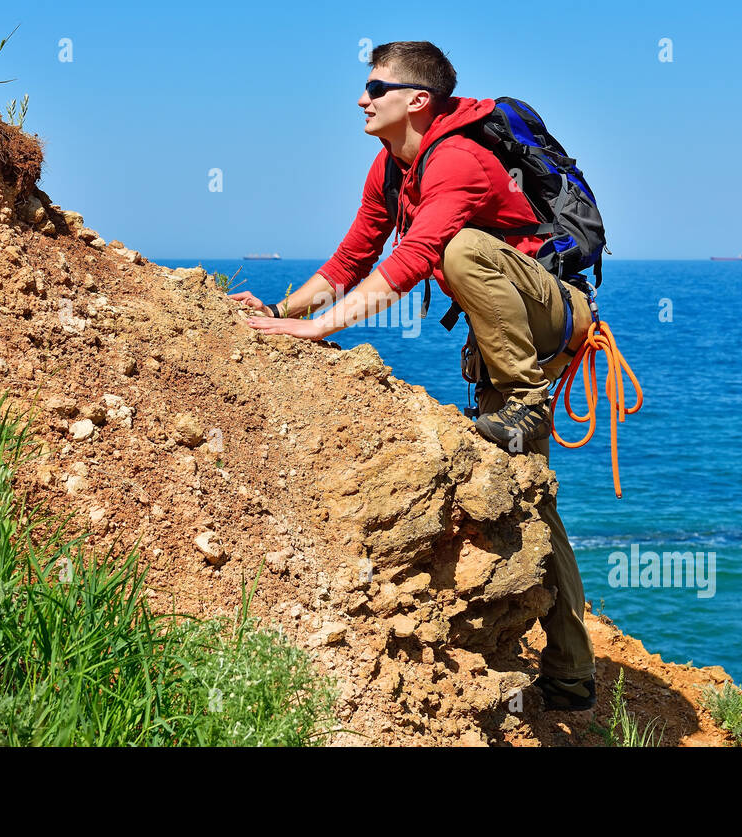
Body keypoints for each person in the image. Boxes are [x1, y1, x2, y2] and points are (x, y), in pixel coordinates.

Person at [229, 41, 596, 711]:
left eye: (375, 86)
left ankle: (525, 400)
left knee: (458, 249)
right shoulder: (392, 167)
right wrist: (283, 311)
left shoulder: (455, 159)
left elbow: (418, 259)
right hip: (509, 338)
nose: (361, 98)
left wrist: (318, 330)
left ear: (416, 99)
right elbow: (353, 257)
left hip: (553, 314)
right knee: (536, 499)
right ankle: (572, 674)